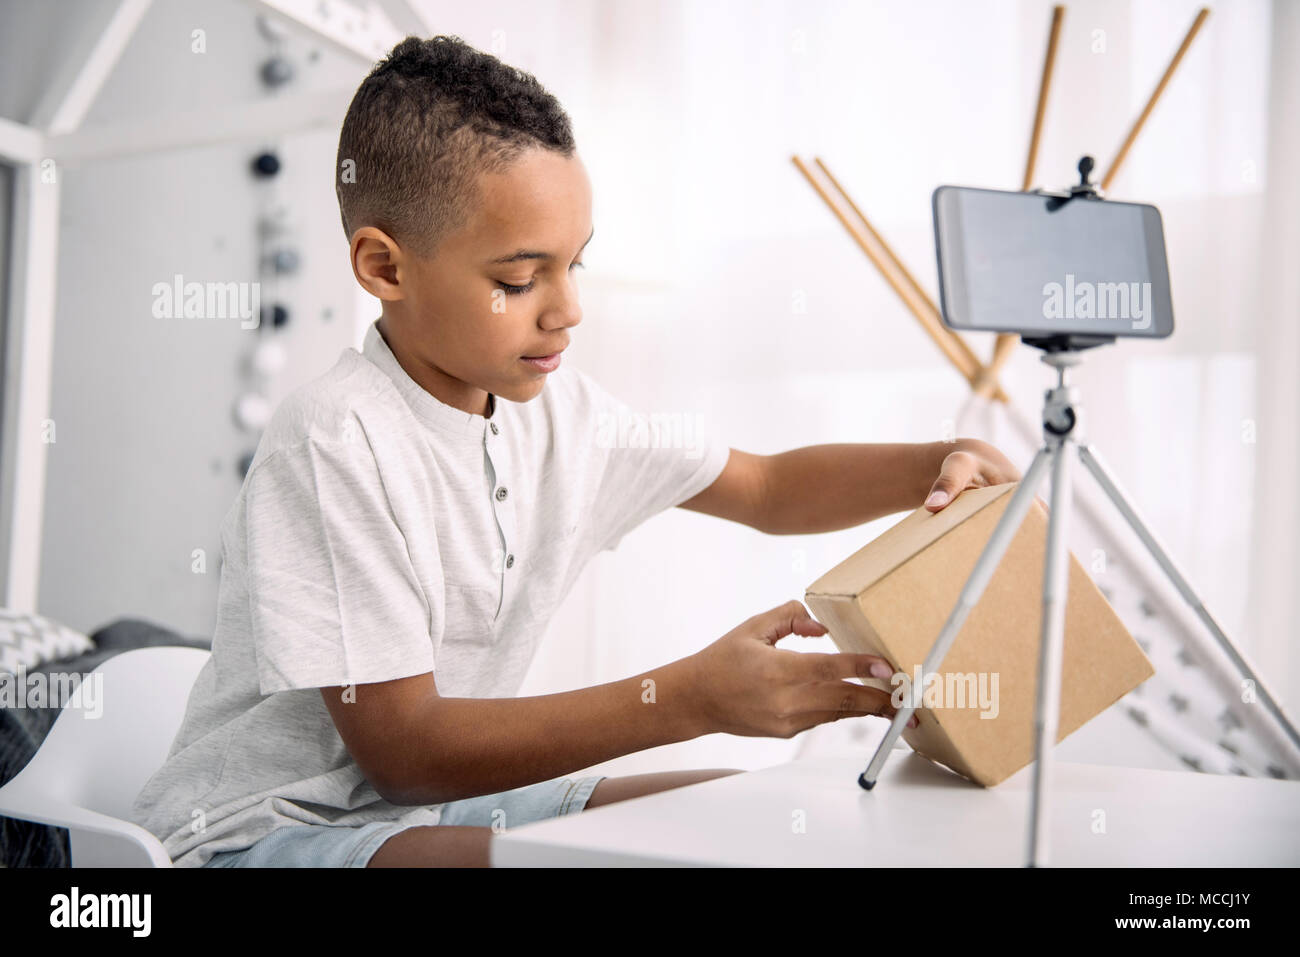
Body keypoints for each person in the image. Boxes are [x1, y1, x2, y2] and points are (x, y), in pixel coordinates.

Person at [131, 35, 1018, 868]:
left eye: (574, 265)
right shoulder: (335, 438)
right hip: (265, 833)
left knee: (741, 820)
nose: (566, 310)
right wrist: (692, 699)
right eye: (518, 280)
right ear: (385, 267)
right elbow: (404, 752)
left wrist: (936, 460)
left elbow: (768, 485)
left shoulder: (564, 418)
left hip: (430, 811)